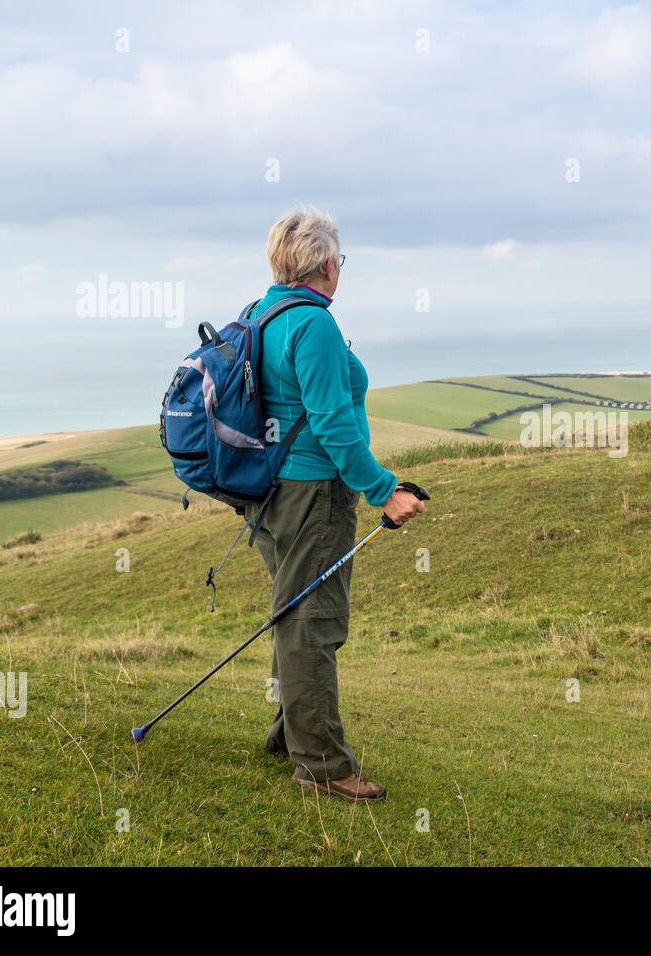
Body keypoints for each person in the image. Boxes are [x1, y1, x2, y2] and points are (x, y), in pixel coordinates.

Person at [245, 206, 425, 803]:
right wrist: (384, 489)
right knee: (313, 623)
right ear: (327, 264)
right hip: (314, 494)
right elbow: (334, 426)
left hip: (269, 491)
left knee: (290, 614)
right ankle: (321, 763)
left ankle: (289, 736)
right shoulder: (314, 325)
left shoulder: (261, 314)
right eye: (339, 259)